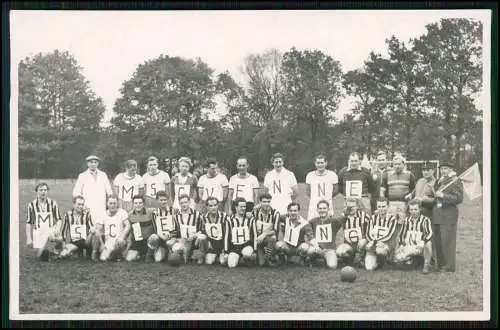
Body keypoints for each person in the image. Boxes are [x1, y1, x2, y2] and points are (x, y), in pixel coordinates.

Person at [431, 160, 463, 272]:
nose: (443, 171)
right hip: (438, 214)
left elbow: (459, 198)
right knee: (438, 240)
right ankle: (440, 264)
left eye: (446, 169)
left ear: (451, 169)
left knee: (447, 240)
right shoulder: (440, 181)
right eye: (442, 169)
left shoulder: (455, 181)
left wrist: (443, 195)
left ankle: (449, 266)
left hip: (449, 214)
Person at [25, 182, 64, 261]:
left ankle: (56, 251)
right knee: (40, 256)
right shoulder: (32, 205)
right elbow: (29, 222)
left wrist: (57, 229)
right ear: (37, 191)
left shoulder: (53, 203)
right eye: (41, 190)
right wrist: (29, 238)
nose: (43, 192)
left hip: (50, 230)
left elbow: (59, 219)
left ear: (47, 191)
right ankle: (50, 253)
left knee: (59, 238)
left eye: (45, 190)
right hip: (39, 231)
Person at [394, 199, 433, 274]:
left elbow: (429, 233)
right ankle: (413, 260)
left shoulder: (425, 220)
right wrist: (402, 245)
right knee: (398, 259)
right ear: (409, 210)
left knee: (428, 243)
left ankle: (426, 264)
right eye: (411, 210)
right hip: (410, 246)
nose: (413, 212)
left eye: (415, 209)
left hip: (420, 246)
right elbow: (402, 234)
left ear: (420, 209)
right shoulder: (406, 220)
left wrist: (423, 242)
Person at [306, 200, 346, 269]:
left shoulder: (334, 221)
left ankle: (332, 258)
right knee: (310, 251)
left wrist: (346, 210)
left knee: (332, 266)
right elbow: (307, 229)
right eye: (320, 208)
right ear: (317, 210)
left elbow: (343, 218)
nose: (322, 210)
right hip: (317, 249)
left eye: (324, 208)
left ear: (328, 209)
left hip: (329, 249)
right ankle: (311, 259)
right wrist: (312, 240)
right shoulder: (313, 221)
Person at [73, 155, 113, 222]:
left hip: (101, 206)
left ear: (98, 163)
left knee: (101, 225)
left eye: (95, 162)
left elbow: (109, 190)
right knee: (88, 225)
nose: (93, 164)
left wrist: (110, 201)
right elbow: (76, 192)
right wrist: (81, 204)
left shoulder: (103, 175)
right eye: (91, 162)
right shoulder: (82, 175)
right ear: (87, 163)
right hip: (87, 206)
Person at [59, 195, 99, 260]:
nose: (80, 206)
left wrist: (92, 229)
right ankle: (76, 252)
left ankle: (92, 253)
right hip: (75, 242)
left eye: (82, 205)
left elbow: (92, 227)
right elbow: (63, 230)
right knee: (64, 255)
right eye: (79, 204)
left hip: (86, 241)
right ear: (74, 204)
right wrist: (64, 244)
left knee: (95, 232)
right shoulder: (68, 215)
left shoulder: (87, 214)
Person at [364, 197, 399, 271]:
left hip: (385, 244)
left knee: (380, 251)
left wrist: (377, 242)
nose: (381, 209)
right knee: (369, 268)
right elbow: (368, 233)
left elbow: (389, 235)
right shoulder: (372, 218)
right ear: (376, 207)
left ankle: (384, 260)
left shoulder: (392, 219)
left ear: (388, 207)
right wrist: (373, 243)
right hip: (373, 244)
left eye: (383, 206)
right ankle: (368, 258)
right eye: (379, 206)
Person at [169, 194, 204, 264]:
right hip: (183, 241)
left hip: (194, 241)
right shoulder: (177, 216)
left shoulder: (197, 214)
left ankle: (200, 256)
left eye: (185, 202)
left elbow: (202, 229)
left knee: (201, 238)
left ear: (189, 202)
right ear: (179, 204)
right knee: (173, 246)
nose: (184, 204)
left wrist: (195, 236)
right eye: (181, 203)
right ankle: (184, 254)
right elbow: (176, 231)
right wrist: (175, 239)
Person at [335, 198, 370, 268]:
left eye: (353, 207)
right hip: (349, 244)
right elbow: (335, 226)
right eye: (348, 207)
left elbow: (371, 228)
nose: (350, 209)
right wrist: (344, 215)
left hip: (361, 243)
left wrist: (365, 238)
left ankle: (362, 257)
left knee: (363, 243)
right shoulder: (344, 216)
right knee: (339, 252)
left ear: (357, 206)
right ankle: (349, 258)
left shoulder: (363, 215)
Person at [224, 197, 258, 268]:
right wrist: (226, 252)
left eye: (244, 206)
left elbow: (255, 235)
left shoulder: (250, 219)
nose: (243, 208)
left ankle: (245, 257)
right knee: (231, 265)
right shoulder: (229, 220)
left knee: (248, 254)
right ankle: (239, 258)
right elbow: (226, 236)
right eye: (241, 206)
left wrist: (255, 250)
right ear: (236, 207)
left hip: (246, 245)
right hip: (234, 247)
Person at [380, 155, 416, 221]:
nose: (397, 166)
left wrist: (411, 195)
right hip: (391, 204)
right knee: (390, 222)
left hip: (404, 204)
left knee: (403, 223)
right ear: (393, 165)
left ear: (403, 164)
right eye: (395, 164)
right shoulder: (387, 175)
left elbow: (415, 189)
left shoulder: (409, 174)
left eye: (399, 164)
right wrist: (383, 201)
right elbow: (382, 190)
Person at [96, 195, 130, 262]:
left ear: (117, 204)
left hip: (119, 241)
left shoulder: (122, 212)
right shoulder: (103, 214)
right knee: (103, 258)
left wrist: (122, 236)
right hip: (108, 242)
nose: (112, 205)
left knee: (120, 242)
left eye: (114, 203)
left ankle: (119, 254)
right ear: (107, 204)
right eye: (110, 203)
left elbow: (128, 225)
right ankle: (112, 254)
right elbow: (98, 230)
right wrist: (102, 244)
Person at [305, 154, 339, 220]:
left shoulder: (332, 175)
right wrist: (315, 199)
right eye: (318, 163)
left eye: (322, 163)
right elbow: (308, 191)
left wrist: (328, 197)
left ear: (326, 163)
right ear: (315, 164)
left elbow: (336, 190)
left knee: (327, 224)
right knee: (313, 224)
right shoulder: (310, 175)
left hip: (327, 204)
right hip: (314, 205)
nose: (320, 165)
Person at [146, 191, 176, 263]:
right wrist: (162, 237)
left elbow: (176, 227)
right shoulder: (155, 213)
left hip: (171, 238)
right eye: (161, 200)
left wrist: (170, 236)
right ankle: (150, 254)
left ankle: (169, 252)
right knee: (158, 259)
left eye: (165, 200)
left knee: (173, 257)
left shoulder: (173, 211)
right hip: (161, 238)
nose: (163, 202)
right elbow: (156, 229)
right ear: (157, 201)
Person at [198, 196, 229, 265]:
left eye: (215, 205)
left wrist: (225, 249)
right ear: (207, 207)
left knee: (223, 262)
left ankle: (221, 254)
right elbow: (202, 231)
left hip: (222, 244)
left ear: (218, 206)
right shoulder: (203, 218)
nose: (213, 208)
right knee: (209, 262)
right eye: (211, 206)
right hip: (211, 244)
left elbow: (227, 233)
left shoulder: (224, 216)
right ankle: (202, 255)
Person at [126, 195, 157, 262]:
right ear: (133, 204)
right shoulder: (130, 214)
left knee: (154, 237)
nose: (138, 205)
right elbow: (130, 231)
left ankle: (149, 255)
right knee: (129, 259)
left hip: (149, 241)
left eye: (140, 203)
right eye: (136, 203)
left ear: (143, 204)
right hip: (137, 241)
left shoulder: (151, 212)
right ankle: (140, 254)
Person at [253, 193, 281, 267]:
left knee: (273, 238)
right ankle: (259, 251)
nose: (266, 204)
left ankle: (269, 257)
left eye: (268, 202)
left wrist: (264, 234)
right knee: (261, 263)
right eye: (264, 202)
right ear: (260, 202)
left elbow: (275, 230)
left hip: (268, 238)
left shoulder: (275, 213)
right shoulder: (255, 212)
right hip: (257, 238)